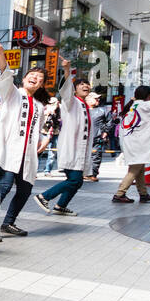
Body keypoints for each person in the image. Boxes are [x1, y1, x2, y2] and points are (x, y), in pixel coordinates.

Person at [0, 45, 50, 242]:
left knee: (25, 189)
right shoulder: (12, 92)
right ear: (25, 77)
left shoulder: (39, 106)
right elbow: (4, 74)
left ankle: (8, 223)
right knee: (3, 187)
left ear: (41, 86)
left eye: (40, 79)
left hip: (27, 156)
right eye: (33, 75)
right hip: (8, 152)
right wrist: (1, 54)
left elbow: (39, 130)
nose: (36, 78)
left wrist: (42, 143)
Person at [34, 73, 95, 216]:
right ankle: (44, 196)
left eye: (87, 84)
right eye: (81, 84)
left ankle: (61, 206)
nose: (85, 86)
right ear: (74, 89)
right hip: (71, 148)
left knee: (77, 181)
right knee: (75, 180)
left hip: (79, 150)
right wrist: (67, 70)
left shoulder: (84, 105)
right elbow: (65, 90)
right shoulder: (71, 101)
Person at [86, 93, 110, 181]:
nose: (98, 100)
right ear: (88, 100)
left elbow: (110, 122)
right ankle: (83, 173)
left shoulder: (103, 110)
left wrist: (105, 132)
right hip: (84, 138)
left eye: (98, 99)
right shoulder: (82, 110)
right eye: (95, 99)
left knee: (96, 156)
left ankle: (93, 174)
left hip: (97, 137)